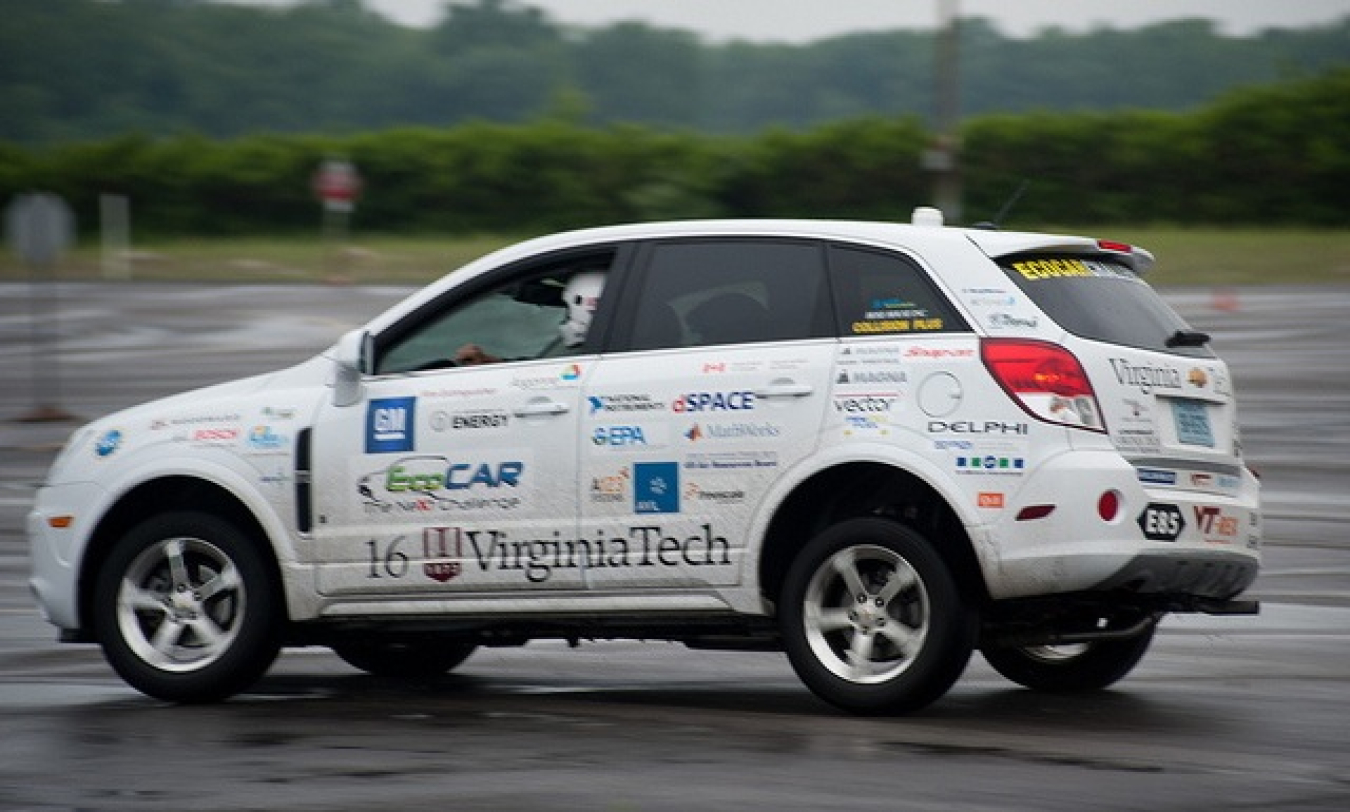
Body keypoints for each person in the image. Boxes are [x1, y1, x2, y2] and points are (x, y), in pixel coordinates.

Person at [452, 270, 606, 366]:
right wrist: (488, 361)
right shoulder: (610, 350)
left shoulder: (600, 357)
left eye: (568, 310)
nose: (566, 319)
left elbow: (548, 377)